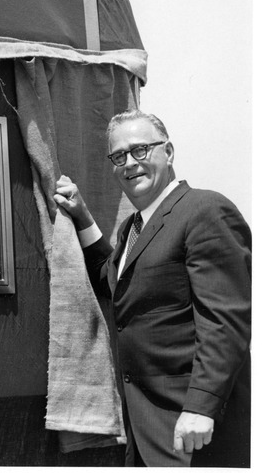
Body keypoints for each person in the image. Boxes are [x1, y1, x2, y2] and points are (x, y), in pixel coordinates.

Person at [54, 109, 250, 467]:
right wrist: (82, 217)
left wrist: (201, 406)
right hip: (144, 426)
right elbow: (112, 282)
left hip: (192, 428)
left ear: (169, 152)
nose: (130, 163)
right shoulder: (132, 227)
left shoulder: (204, 210)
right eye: (119, 156)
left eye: (141, 149)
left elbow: (225, 320)